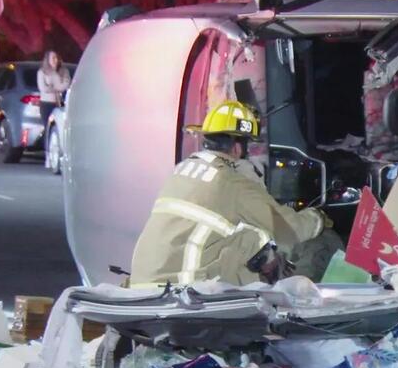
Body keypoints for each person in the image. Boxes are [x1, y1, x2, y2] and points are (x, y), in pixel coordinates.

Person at [130, 100, 339, 288]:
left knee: (253, 241)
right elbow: (290, 229)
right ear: (238, 148)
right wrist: (317, 217)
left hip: (143, 283)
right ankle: (301, 304)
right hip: (186, 289)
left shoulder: (182, 172)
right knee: (320, 243)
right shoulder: (231, 181)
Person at [37, 50, 71, 125]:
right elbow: (43, 88)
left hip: (58, 104)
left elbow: (64, 85)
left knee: (57, 126)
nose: (56, 60)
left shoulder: (62, 72)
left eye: (56, 58)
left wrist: (53, 87)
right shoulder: (42, 72)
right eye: (53, 58)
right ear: (48, 60)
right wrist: (57, 88)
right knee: (47, 126)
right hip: (46, 104)